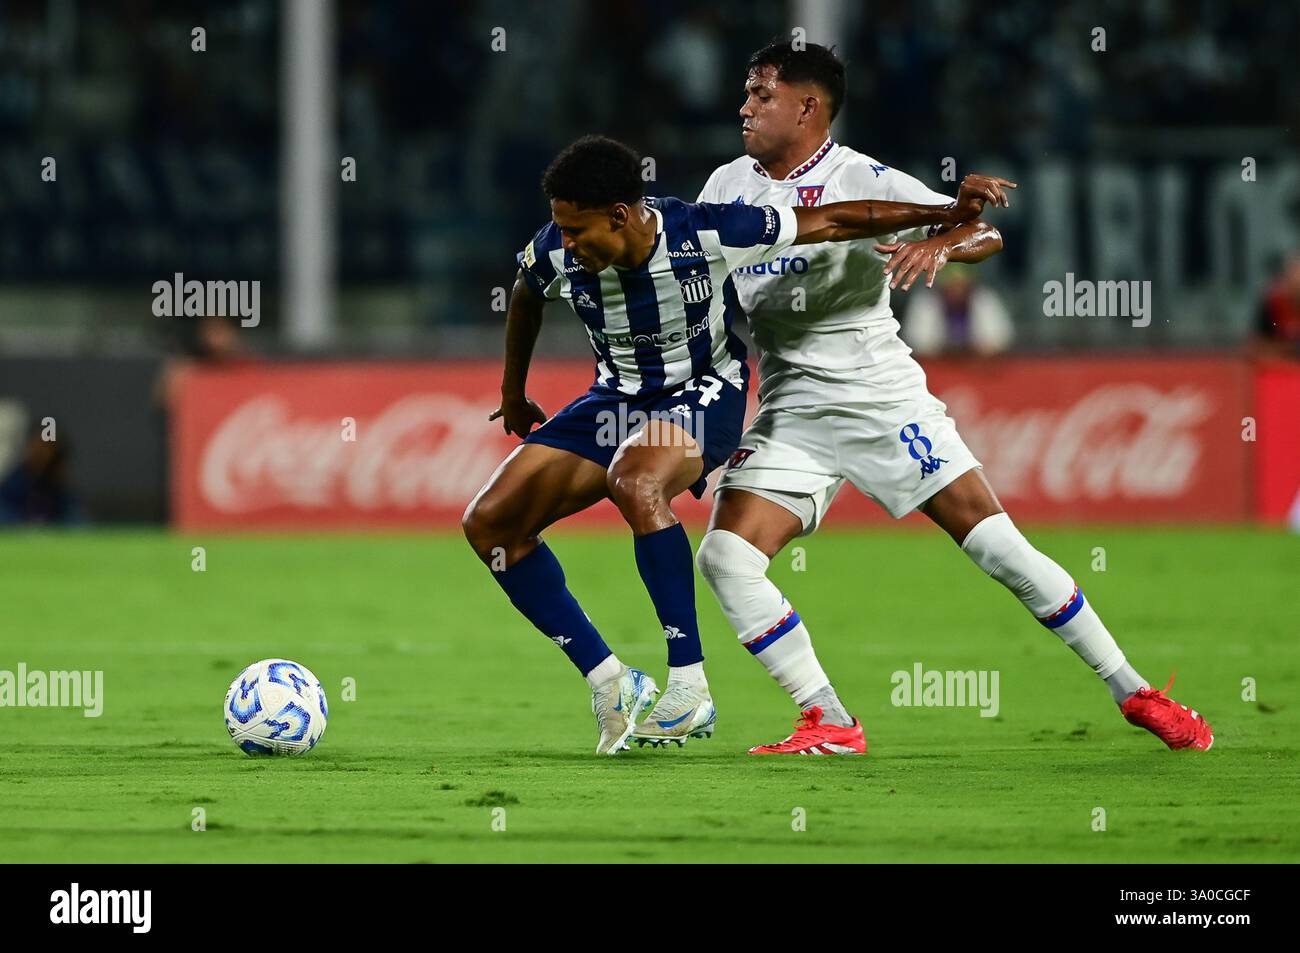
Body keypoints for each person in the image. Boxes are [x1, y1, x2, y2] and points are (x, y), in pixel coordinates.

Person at [692, 39, 1212, 755]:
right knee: (724, 556)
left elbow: (981, 230)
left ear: (808, 106)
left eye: (761, 93)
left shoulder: (864, 178)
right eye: (747, 93)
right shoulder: (725, 185)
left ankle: (1133, 688)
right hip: (791, 407)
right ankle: (830, 718)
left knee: (1000, 548)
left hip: (881, 396)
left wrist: (943, 244)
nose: (744, 106)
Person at [462, 134, 1002, 754]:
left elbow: (834, 219)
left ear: (620, 215)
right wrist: (513, 392)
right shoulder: (556, 250)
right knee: (491, 524)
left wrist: (945, 215)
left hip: (703, 391)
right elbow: (526, 295)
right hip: (613, 398)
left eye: (580, 231)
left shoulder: (704, 233)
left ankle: (688, 685)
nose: (569, 245)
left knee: (635, 480)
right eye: (562, 230)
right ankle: (610, 681)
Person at [903, 263, 1014, 356]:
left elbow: (1000, 341)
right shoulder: (925, 302)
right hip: (937, 369)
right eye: (951, 287)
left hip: (977, 368)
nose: (957, 292)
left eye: (962, 286)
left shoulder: (985, 300)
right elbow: (918, 344)